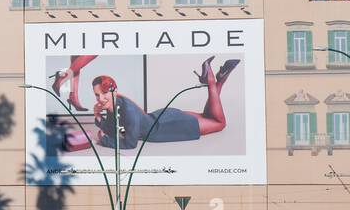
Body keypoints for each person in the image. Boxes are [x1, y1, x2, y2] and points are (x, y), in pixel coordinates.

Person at [63, 57, 240, 152]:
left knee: (219, 123)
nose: (100, 99)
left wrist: (104, 140)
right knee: (210, 116)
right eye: (97, 95)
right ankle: (220, 79)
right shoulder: (117, 103)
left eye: (103, 94)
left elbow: (130, 143)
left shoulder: (127, 109)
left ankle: (210, 78)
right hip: (165, 118)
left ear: (113, 90)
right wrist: (97, 116)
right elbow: (112, 127)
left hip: (169, 126)